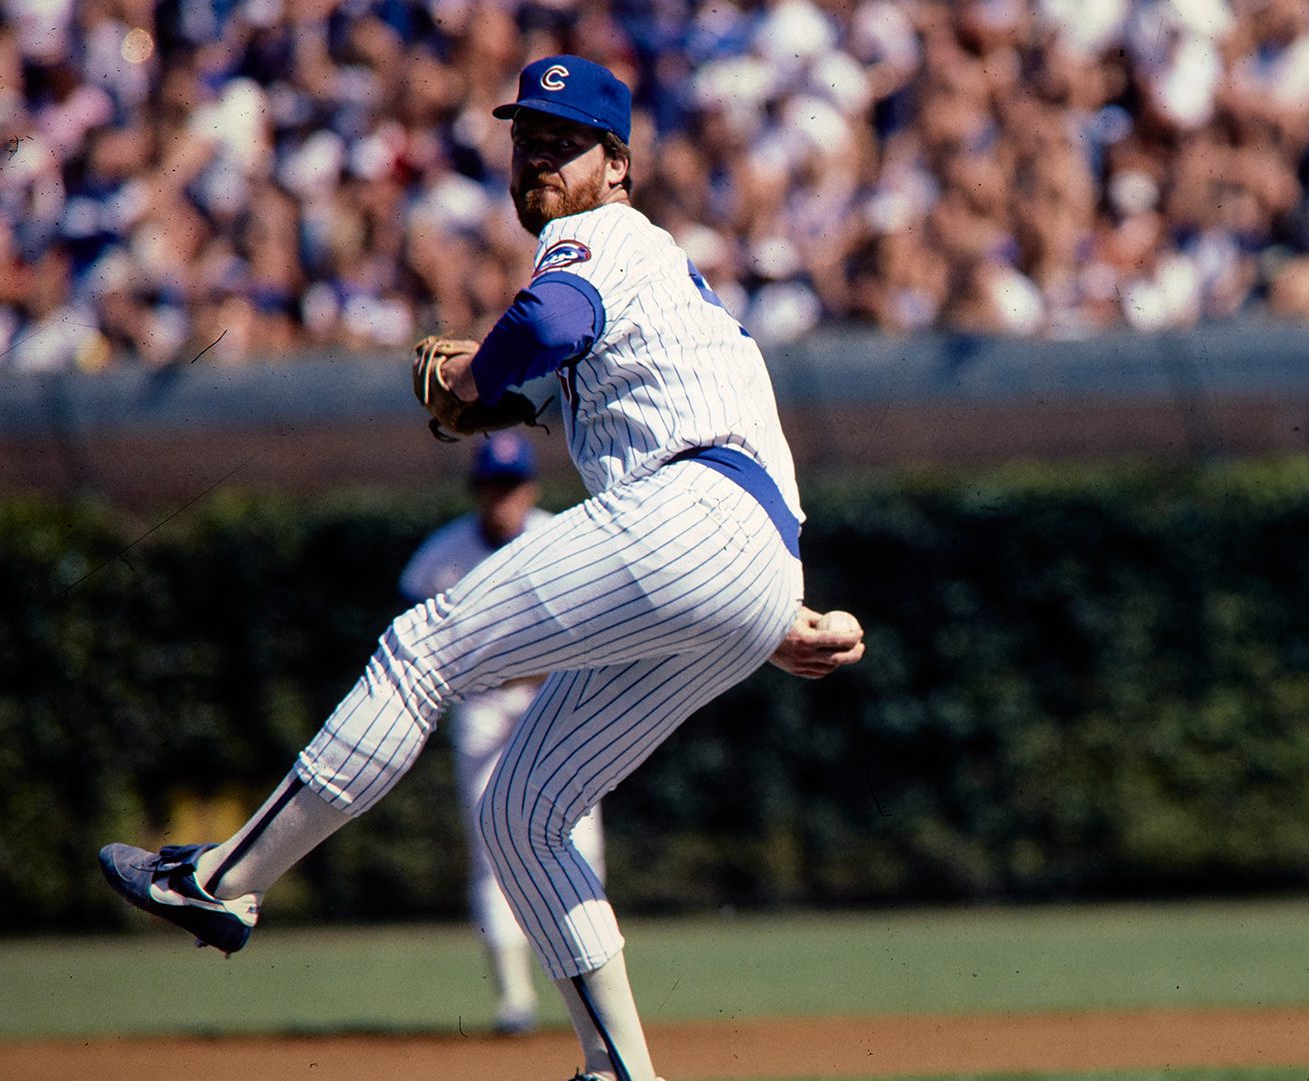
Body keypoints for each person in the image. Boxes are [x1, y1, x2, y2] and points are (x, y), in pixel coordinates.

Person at [99, 54, 866, 1081]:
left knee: (419, 650)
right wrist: (773, 613)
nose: (539, 156)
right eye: (527, 140)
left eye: (565, 142)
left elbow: (544, 324)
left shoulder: (602, 238)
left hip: (696, 513)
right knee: (522, 810)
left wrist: (469, 375)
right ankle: (621, 1071)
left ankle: (226, 879)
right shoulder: (672, 302)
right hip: (752, 558)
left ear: (618, 166)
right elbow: (555, 382)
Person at [399, 431, 601, 1036]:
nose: (502, 496)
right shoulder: (442, 556)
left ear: (530, 488)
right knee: (492, 851)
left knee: (583, 848)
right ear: (476, 490)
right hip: (483, 708)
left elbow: (598, 629)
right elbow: (407, 637)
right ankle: (515, 999)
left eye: (511, 484)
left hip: (557, 704)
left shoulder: (562, 537)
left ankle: (593, 994)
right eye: (492, 484)